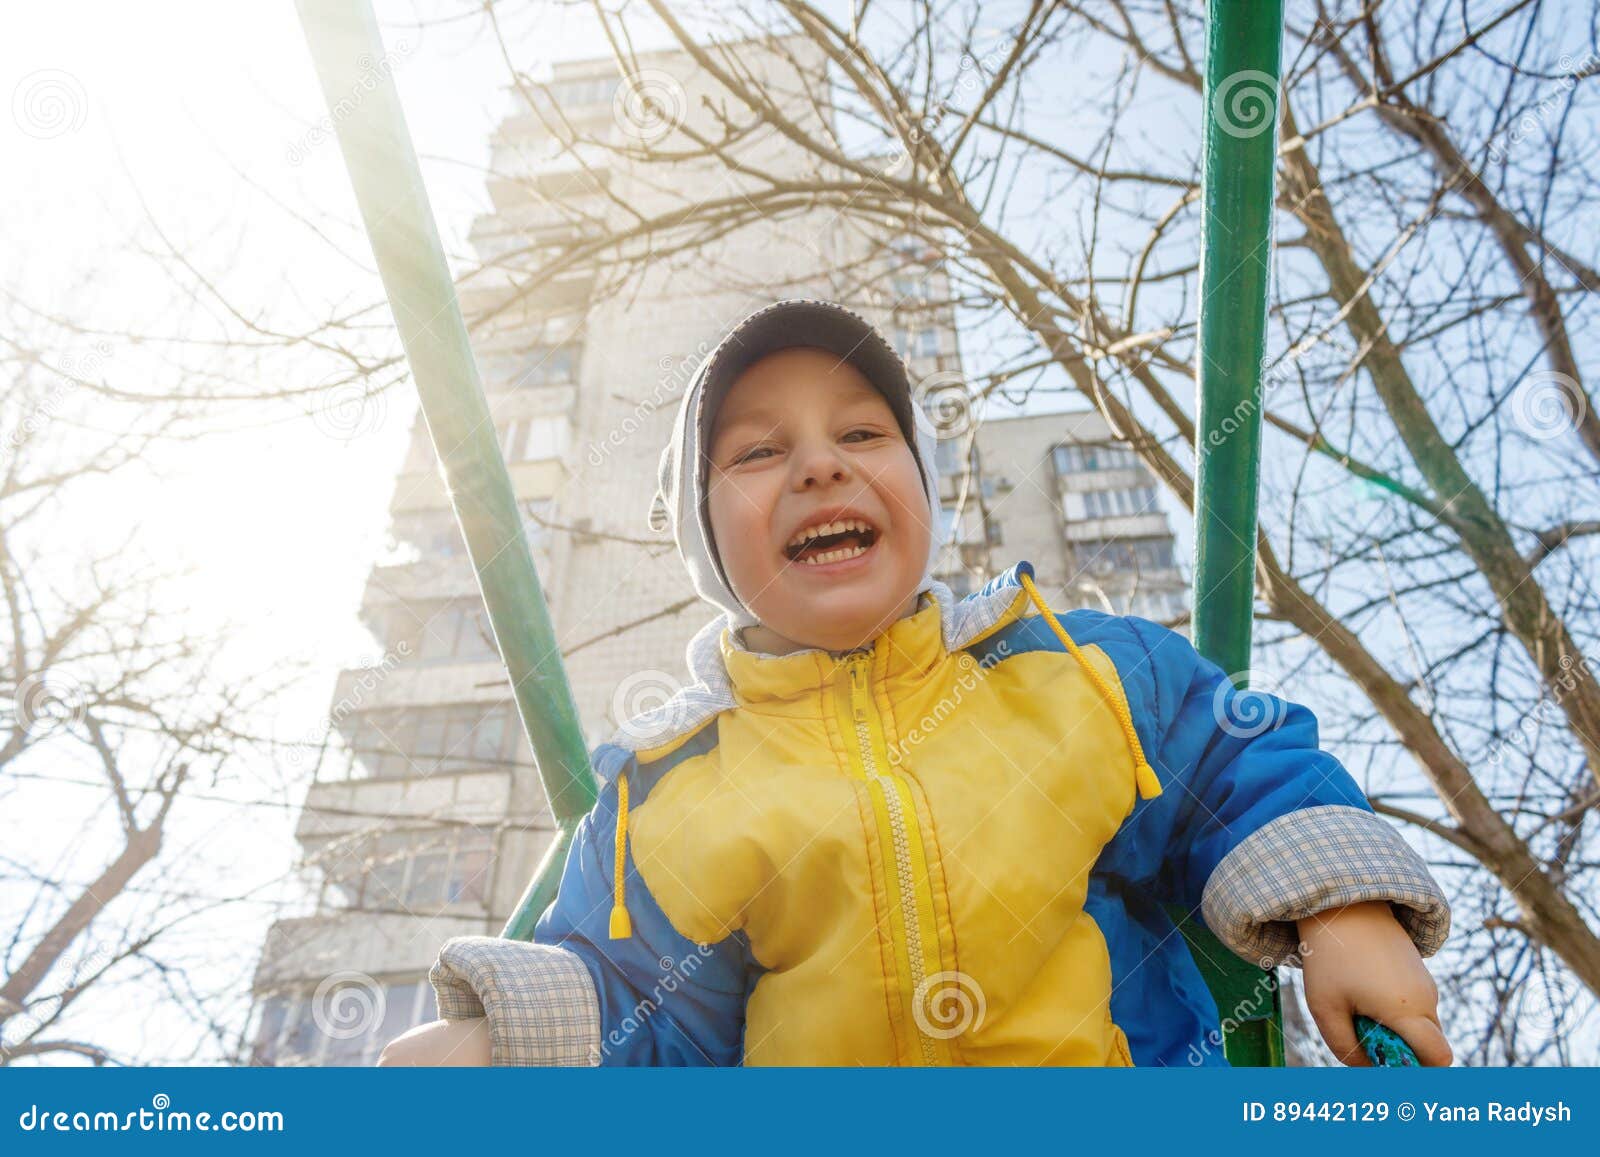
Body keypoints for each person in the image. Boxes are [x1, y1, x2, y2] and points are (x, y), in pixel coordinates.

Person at [379, 299, 1451, 1068]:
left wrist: (1343, 908)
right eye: (758, 453)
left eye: (862, 432)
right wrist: (506, 1042)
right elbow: (644, 1005)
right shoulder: (667, 791)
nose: (819, 465)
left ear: (924, 493)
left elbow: (1231, 761)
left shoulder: (1069, 673)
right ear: (707, 541)